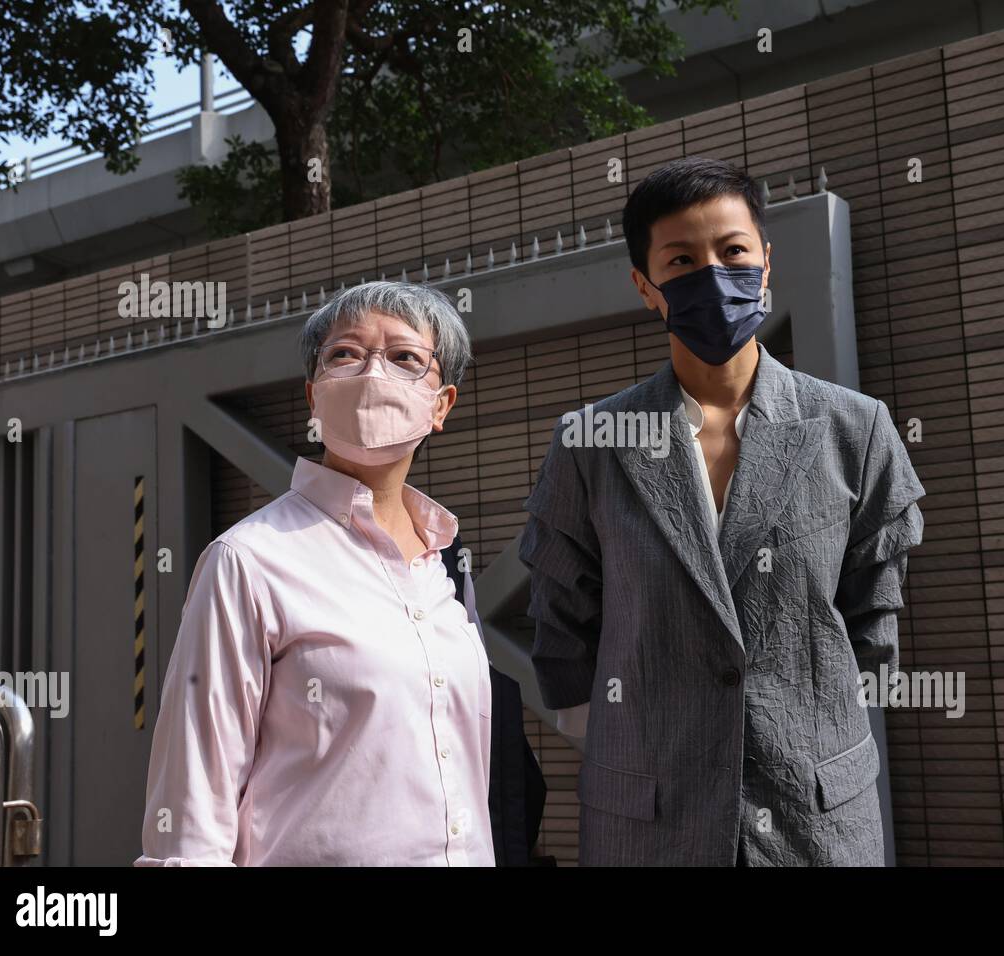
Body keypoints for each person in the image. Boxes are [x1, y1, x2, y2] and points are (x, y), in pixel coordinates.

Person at [519, 156, 926, 866]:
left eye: (732, 251)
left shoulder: (854, 429)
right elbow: (562, 625)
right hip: (647, 816)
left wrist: (804, 718)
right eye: (681, 259)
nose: (712, 273)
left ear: (766, 263)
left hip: (815, 816)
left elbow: (871, 617)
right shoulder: (590, 442)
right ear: (646, 286)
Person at [136, 281, 494, 866]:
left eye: (405, 357)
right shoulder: (248, 560)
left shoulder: (445, 565)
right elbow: (193, 803)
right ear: (313, 395)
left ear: (441, 405)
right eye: (345, 354)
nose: (372, 373)